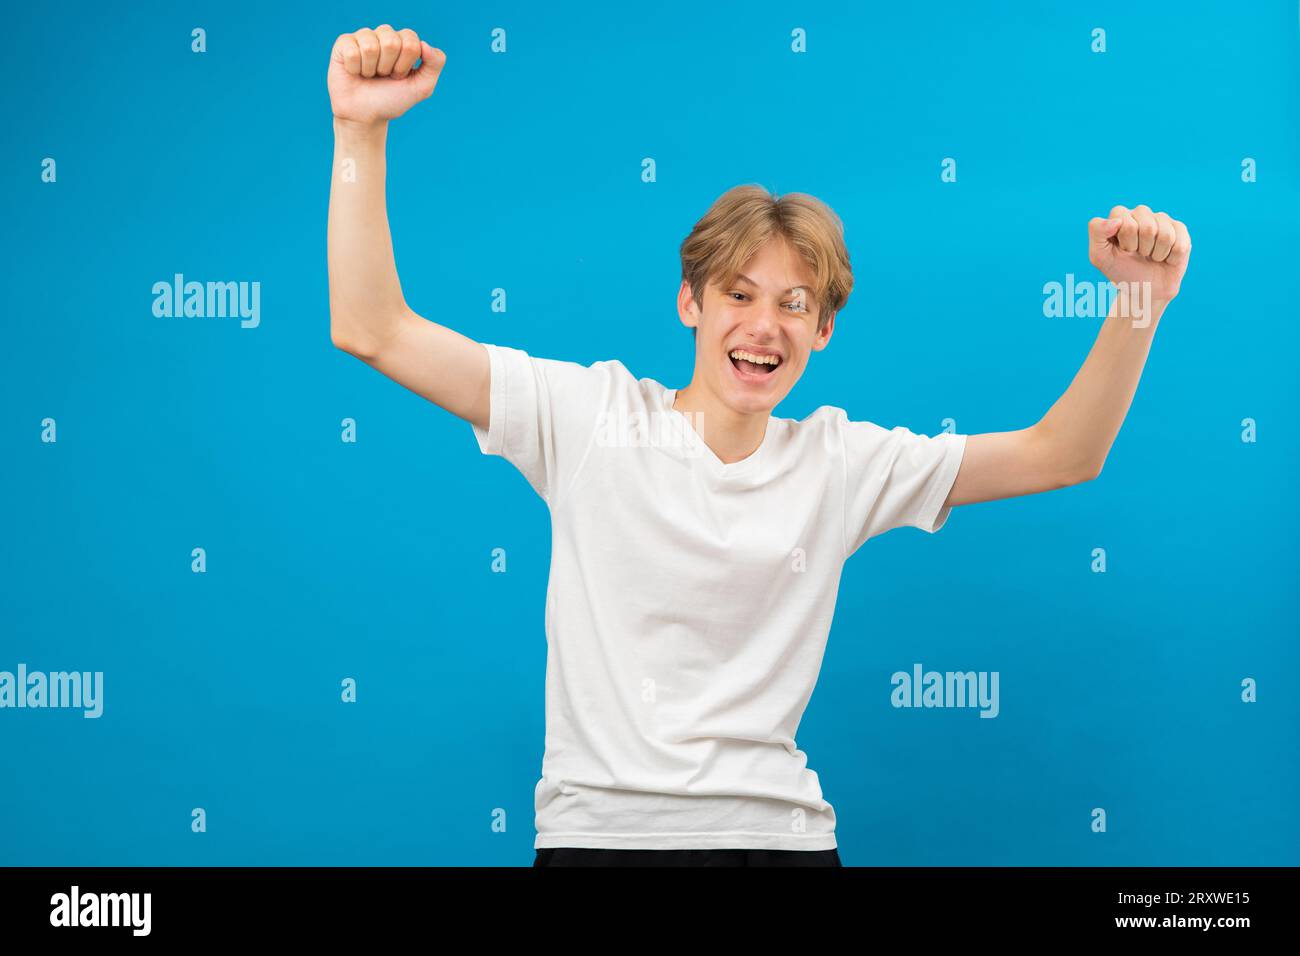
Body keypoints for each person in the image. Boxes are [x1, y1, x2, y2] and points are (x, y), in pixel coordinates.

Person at [325, 25, 1192, 868]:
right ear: (690, 303)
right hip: (602, 841)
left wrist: (1140, 303)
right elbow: (374, 329)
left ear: (823, 329)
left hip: (780, 844)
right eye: (738, 293)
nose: (763, 325)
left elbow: (1061, 453)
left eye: (793, 303)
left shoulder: (840, 461)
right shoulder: (586, 415)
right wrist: (359, 129)